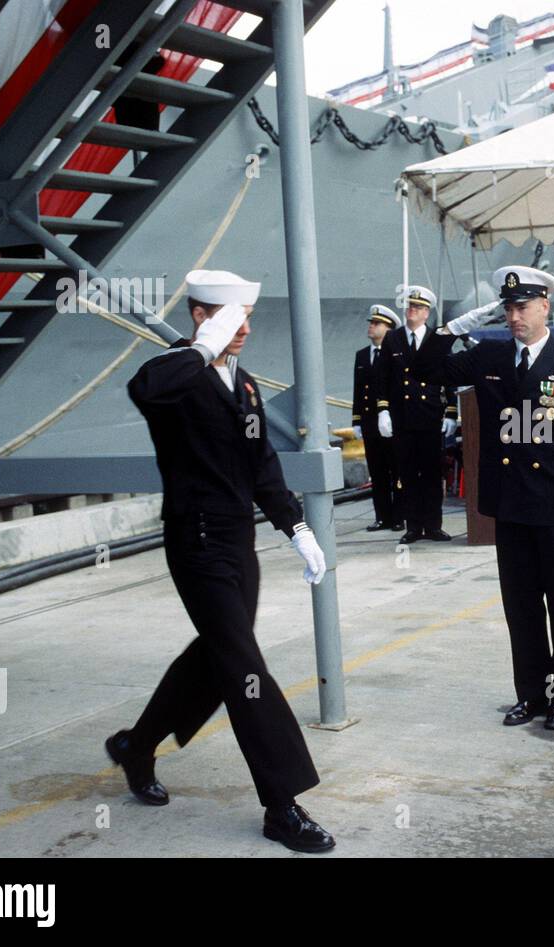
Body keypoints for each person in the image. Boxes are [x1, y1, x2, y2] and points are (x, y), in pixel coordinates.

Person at [115, 269, 334, 853]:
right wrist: (202, 348)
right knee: (245, 670)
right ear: (200, 315)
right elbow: (143, 388)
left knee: (218, 656)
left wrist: (297, 528)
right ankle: (281, 804)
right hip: (198, 543)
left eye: (245, 317)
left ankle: (137, 745)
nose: (242, 329)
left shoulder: (246, 385)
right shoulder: (180, 374)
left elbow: (262, 464)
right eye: (228, 317)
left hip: (239, 544)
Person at [415, 266, 554, 731]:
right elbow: (427, 367)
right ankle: (531, 694)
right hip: (510, 502)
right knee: (519, 606)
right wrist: (458, 326)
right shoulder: (490, 356)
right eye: (507, 308)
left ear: (545, 307)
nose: (514, 316)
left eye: (522, 307)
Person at [374, 285, 458, 544]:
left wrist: (451, 413)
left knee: (432, 474)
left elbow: (450, 376)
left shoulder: (437, 340)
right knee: (407, 473)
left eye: (418, 307)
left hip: (430, 417)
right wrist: (383, 410)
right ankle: (413, 527)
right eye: (410, 306)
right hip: (403, 417)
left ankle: (433, 525)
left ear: (427, 313)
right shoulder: (393, 339)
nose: (412, 310)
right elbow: (382, 377)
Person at [352, 304, 404, 532]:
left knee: (397, 471)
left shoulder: (396, 354)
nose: (371, 326)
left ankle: (399, 516)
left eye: (377, 323)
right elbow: (358, 389)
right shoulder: (362, 355)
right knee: (378, 472)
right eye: (371, 323)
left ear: (389, 329)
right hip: (370, 423)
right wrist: (356, 421)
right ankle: (382, 516)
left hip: (392, 423)